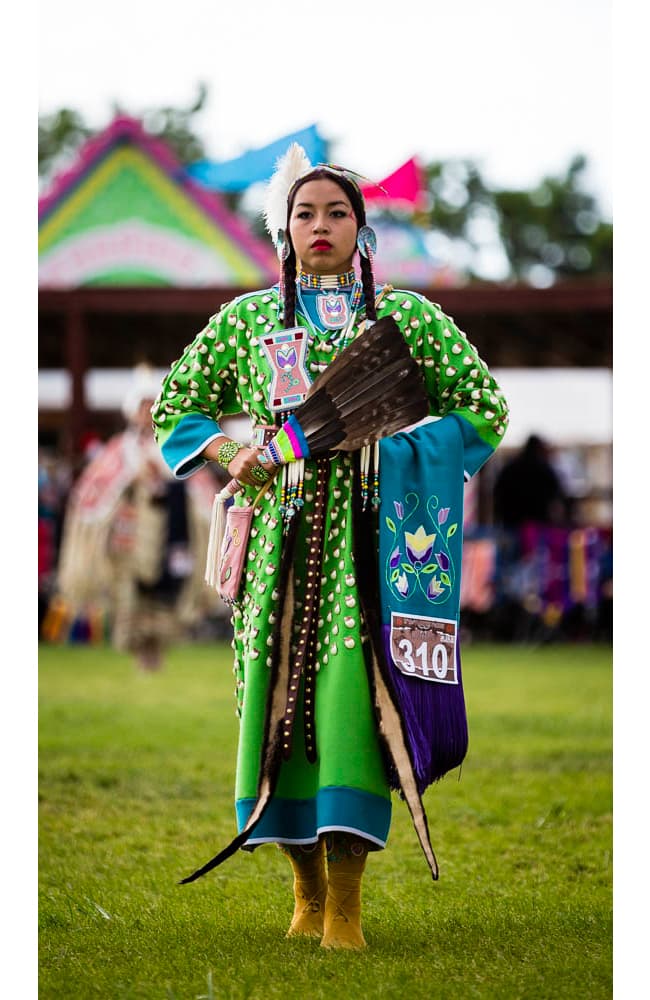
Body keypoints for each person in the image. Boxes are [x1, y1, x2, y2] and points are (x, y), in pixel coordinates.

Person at [152, 146, 509, 949]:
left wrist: (403, 450)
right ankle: (303, 893)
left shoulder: (405, 320)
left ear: (361, 228)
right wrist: (227, 452)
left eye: (337, 212)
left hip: (371, 552)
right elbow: (177, 406)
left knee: (351, 713)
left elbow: (483, 408)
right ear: (283, 227)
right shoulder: (248, 320)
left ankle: (345, 904)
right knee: (278, 715)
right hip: (275, 549)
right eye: (305, 212)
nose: (320, 225)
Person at [55, 365, 224, 670]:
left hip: (173, 531)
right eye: (142, 406)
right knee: (130, 592)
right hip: (130, 535)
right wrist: (134, 479)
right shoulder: (121, 450)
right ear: (132, 411)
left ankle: (157, 649)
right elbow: (94, 491)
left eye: (152, 406)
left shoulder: (174, 445)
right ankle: (135, 649)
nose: (147, 413)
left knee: (167, 592)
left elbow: (201, 488)